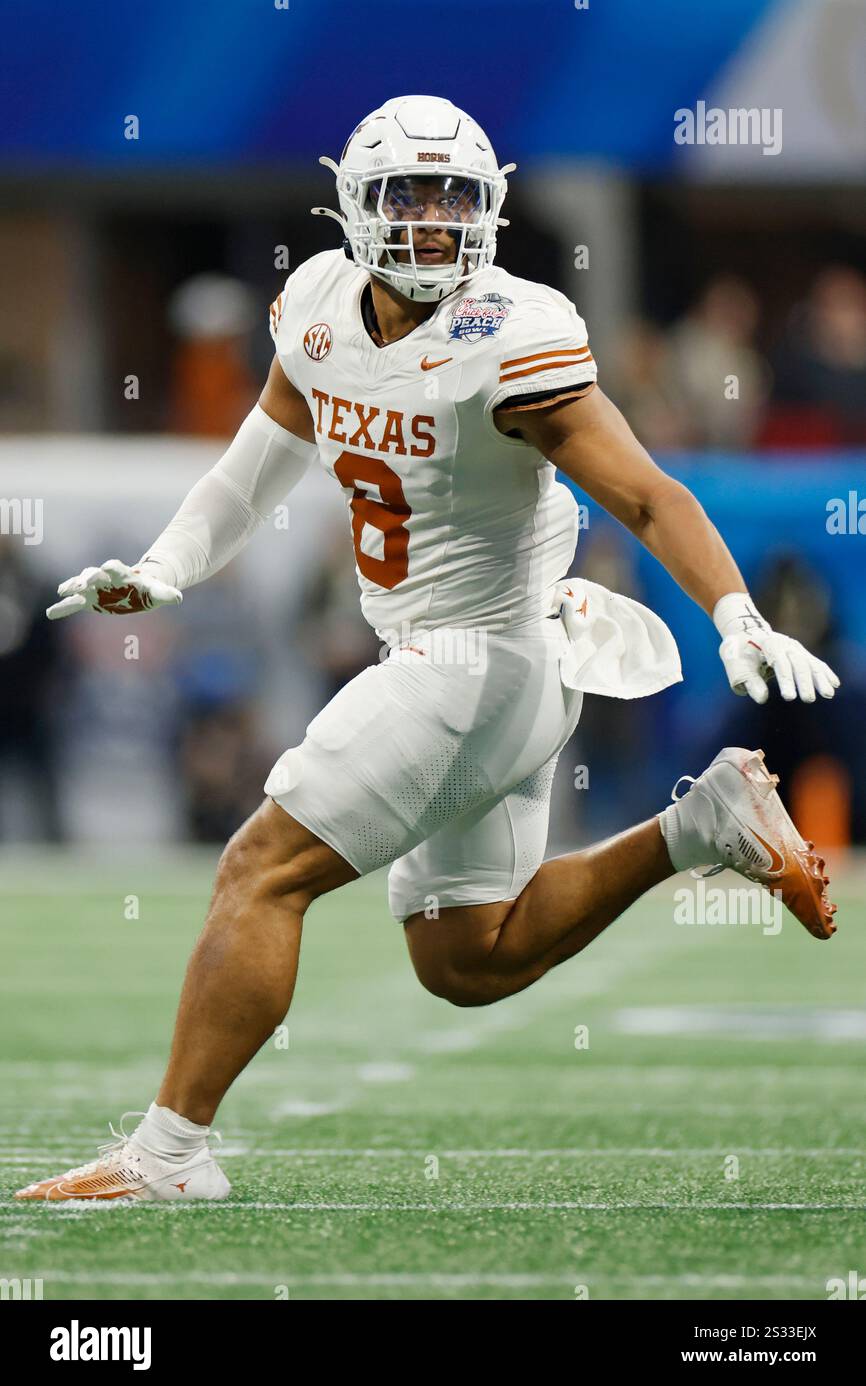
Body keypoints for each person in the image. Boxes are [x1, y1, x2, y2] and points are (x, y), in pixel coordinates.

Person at [17, 96, 839, 1203]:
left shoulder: (509, 334)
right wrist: (166, 568)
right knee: (469, 957)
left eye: (456, 195)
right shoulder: (314, 305)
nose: (436, 220)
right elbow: (257, 461)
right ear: (355, 202)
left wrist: (736, 614)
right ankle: (697, 827)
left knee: (260, 869)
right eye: (411, 193)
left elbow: (645, 495)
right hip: (482, 668)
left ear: (489, 207)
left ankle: (169, 1155)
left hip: (476, 658)